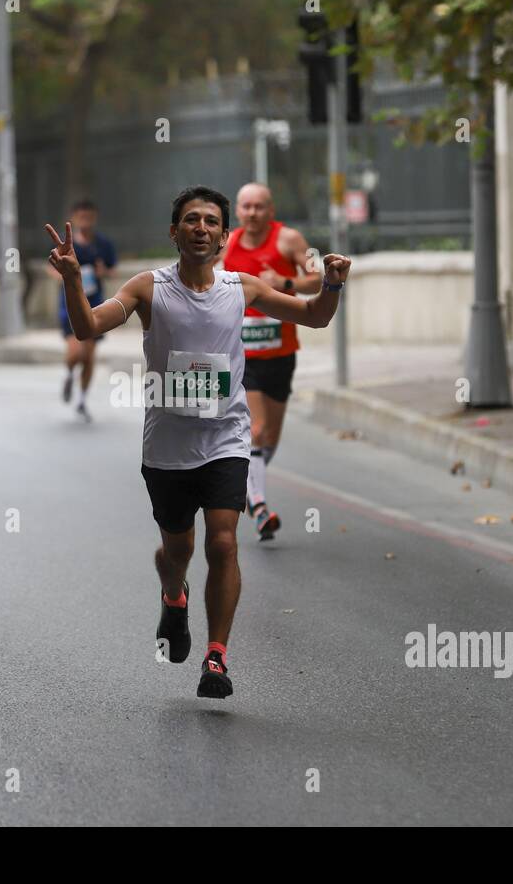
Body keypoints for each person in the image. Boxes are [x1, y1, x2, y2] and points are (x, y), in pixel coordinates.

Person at [44, 185, 350, 698]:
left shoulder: (242, 288)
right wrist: (75, 279)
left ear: (224, 236)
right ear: (175, 232)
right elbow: (87, 327)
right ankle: (173, 595)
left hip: (226, 438)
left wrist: (334, 284)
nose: (201, 228)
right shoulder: (148, 288)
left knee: (224, 542)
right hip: (166, 446)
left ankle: (217, 657)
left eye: (211, 221)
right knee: (177, 549)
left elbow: (315, 315)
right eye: (191, 220)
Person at [223, 183, 321, 542]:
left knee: (271, 437)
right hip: (242, 355)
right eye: (246, 206)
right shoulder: (228, 244)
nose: (252, 213)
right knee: (258, 430)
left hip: (282, 352)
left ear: (271, 209)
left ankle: (251, 487)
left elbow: (319, 276)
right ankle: (260, 506)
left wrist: (286, 281)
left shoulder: (291, 239)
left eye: (259, 207)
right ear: (237, 210)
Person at [51, 199, 116, 421]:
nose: (85, 220)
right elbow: (51, 269)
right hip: (69, 304)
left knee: (89, 355)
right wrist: (65, 275)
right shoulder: (66, 243)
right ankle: (69, 373)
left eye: (89, 216)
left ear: (94, 217)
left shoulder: (103, 244)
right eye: (81, 216)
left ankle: (81, 400)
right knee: (76, 352)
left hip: (95, 304)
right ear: (74, 217)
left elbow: (112, 270)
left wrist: (103, 272)